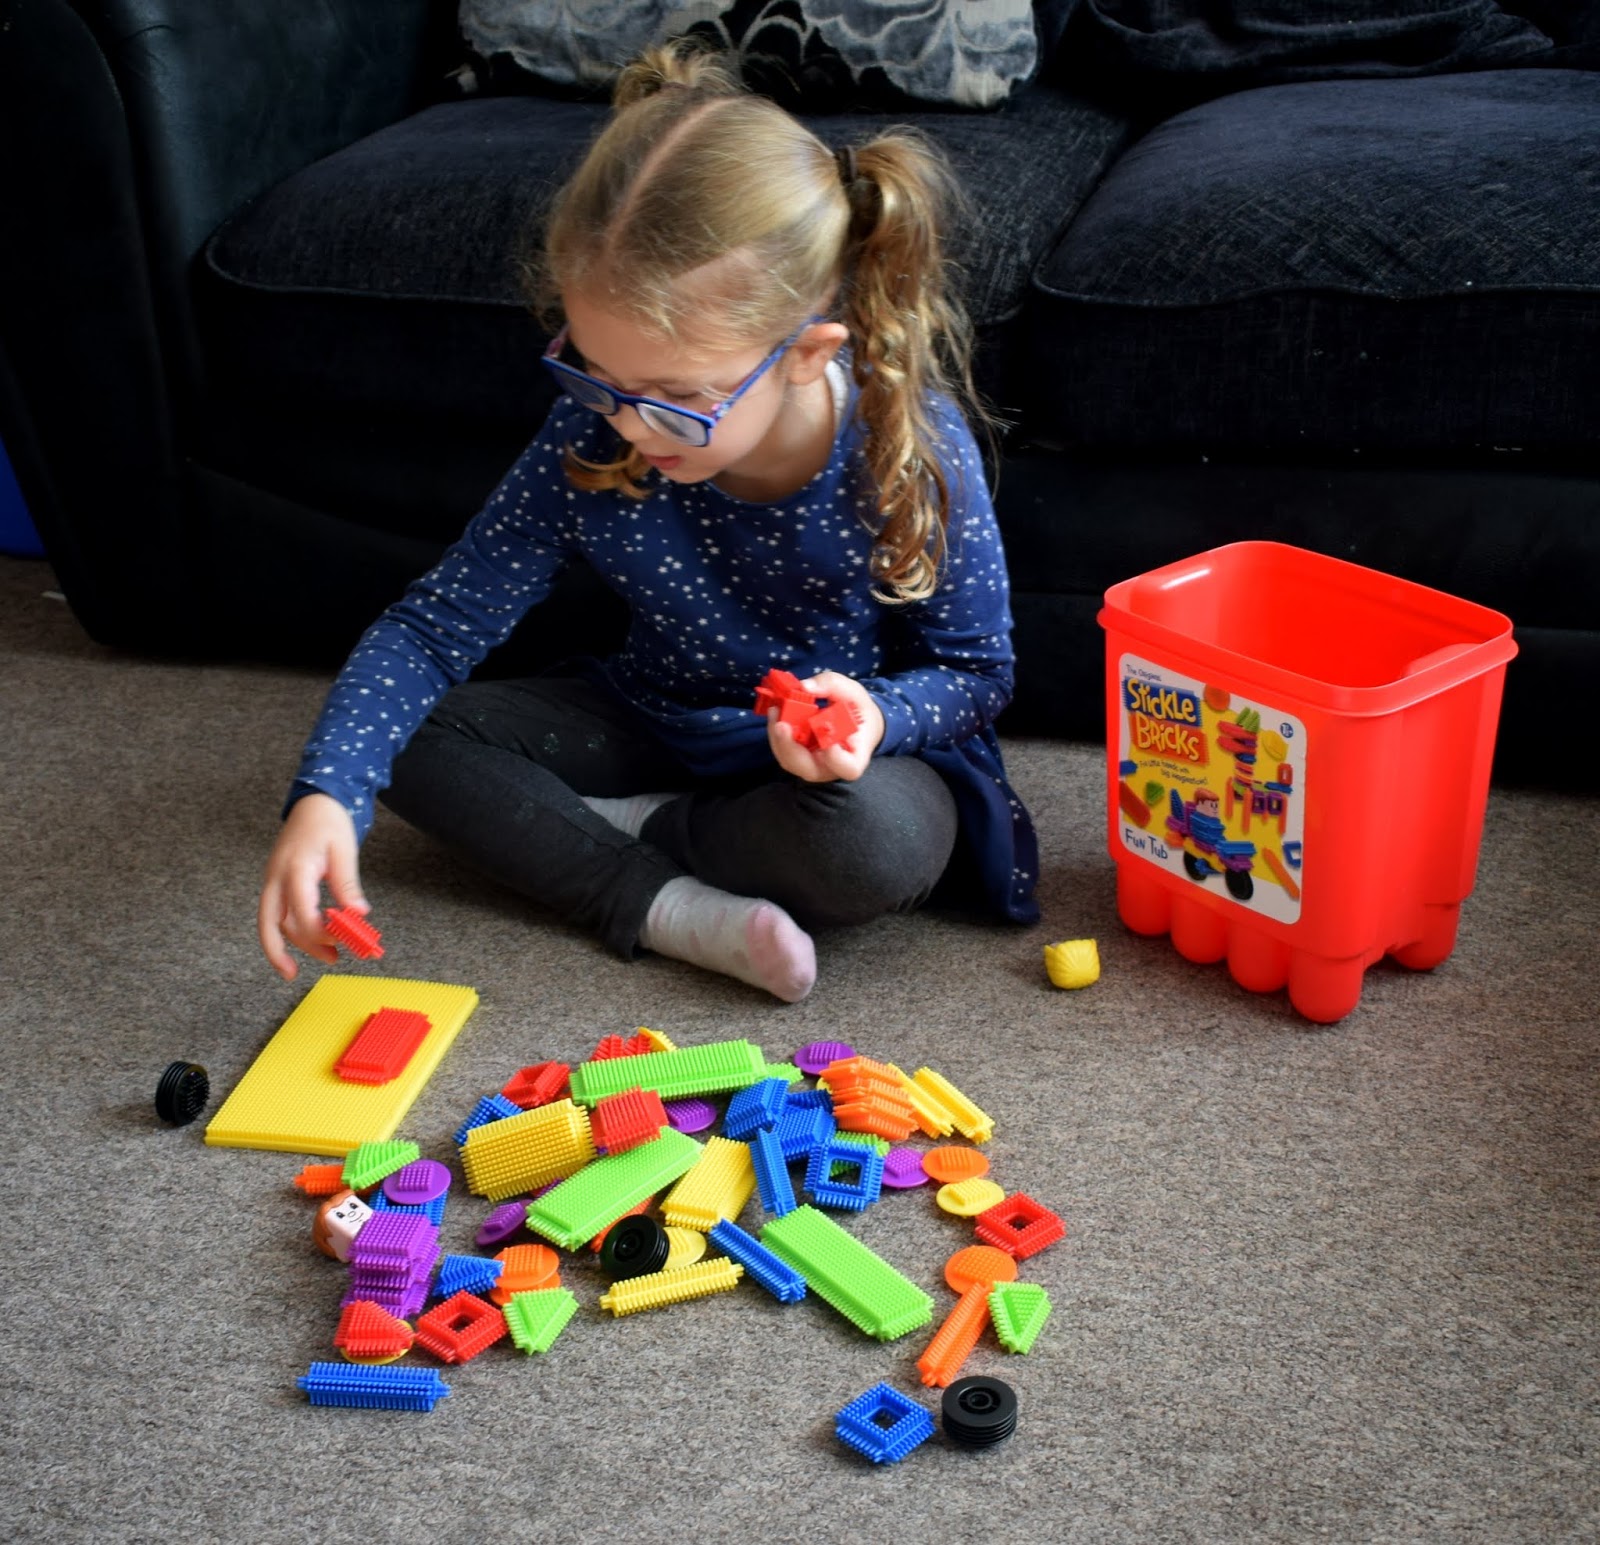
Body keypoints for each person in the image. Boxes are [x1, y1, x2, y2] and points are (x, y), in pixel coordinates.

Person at [257, 40, 1039, 1004]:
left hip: (841, 771)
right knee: (407, 743)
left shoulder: (908, 443)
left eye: (678, 397)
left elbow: (978, 671)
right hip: (658, 713)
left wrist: (880, 716)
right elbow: (434, 623)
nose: (630, 423)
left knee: (870, 848)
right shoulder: (597, 425)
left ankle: (640, 826)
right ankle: (664, 901)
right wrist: (329, 792)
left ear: (806, 353)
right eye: (600, 375)